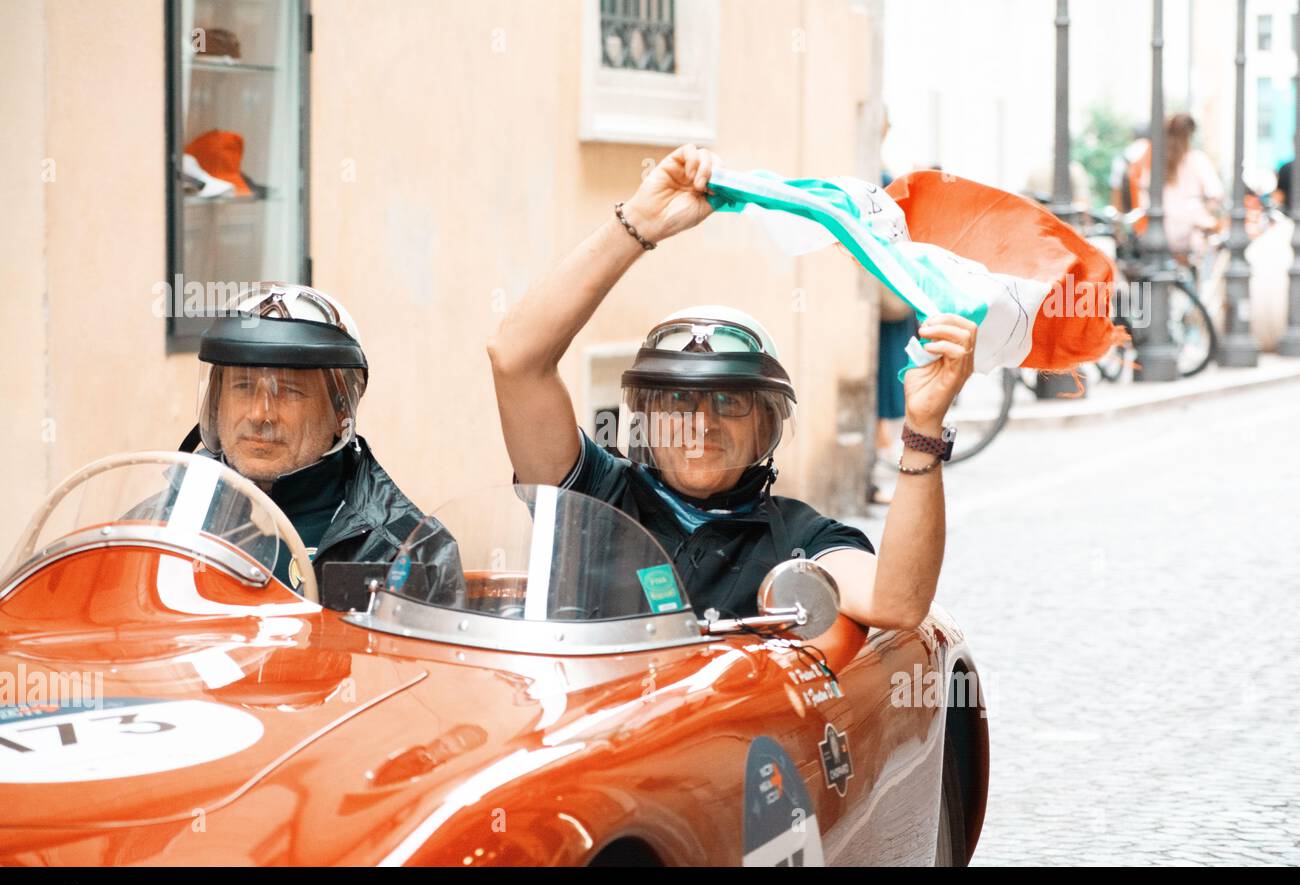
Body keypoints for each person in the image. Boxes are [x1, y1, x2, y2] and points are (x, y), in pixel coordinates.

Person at [488, 145, 976, 628]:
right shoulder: (592, 495)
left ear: (767, 422)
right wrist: (637, 224)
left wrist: (923, 428)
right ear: (647, 417)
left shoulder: (800, 540)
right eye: (678, 399)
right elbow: (515, 360)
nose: (701, 422)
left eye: (729, 402)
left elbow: (895, 602)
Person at [186, 282, 459, 596]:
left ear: (339, 411)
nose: (260, 415)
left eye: (288, 391)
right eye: (243, 386)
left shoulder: (405, 552)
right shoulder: (169, 519)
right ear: (218, 401)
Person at [1130, 113, 1225, 260]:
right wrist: (1203, 211)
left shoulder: (1155, 161)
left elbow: (1144, 196)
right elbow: (1216, 194)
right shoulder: (1197, 159)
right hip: (1192, 235)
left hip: (1160, 233)